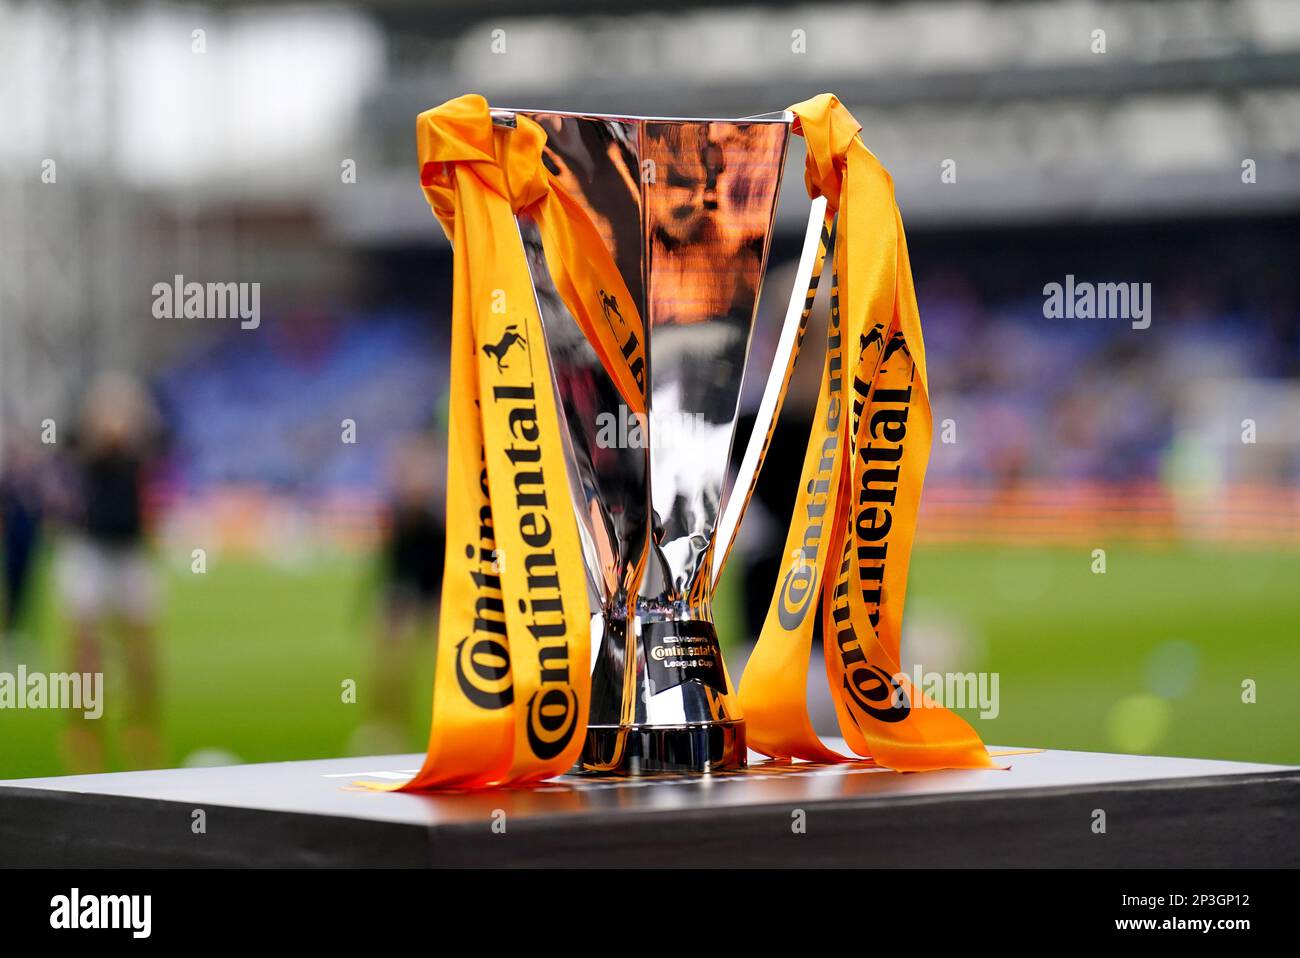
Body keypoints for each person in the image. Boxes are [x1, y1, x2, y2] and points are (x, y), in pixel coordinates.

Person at [55, 373, 166, 772]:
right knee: (85, 645)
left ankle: (142, 728)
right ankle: (84, 730)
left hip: (131, 551)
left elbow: (161, 446)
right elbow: (72, 454)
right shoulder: (82, 442)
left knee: (140, 645)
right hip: (89, 549)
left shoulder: (145, 442)